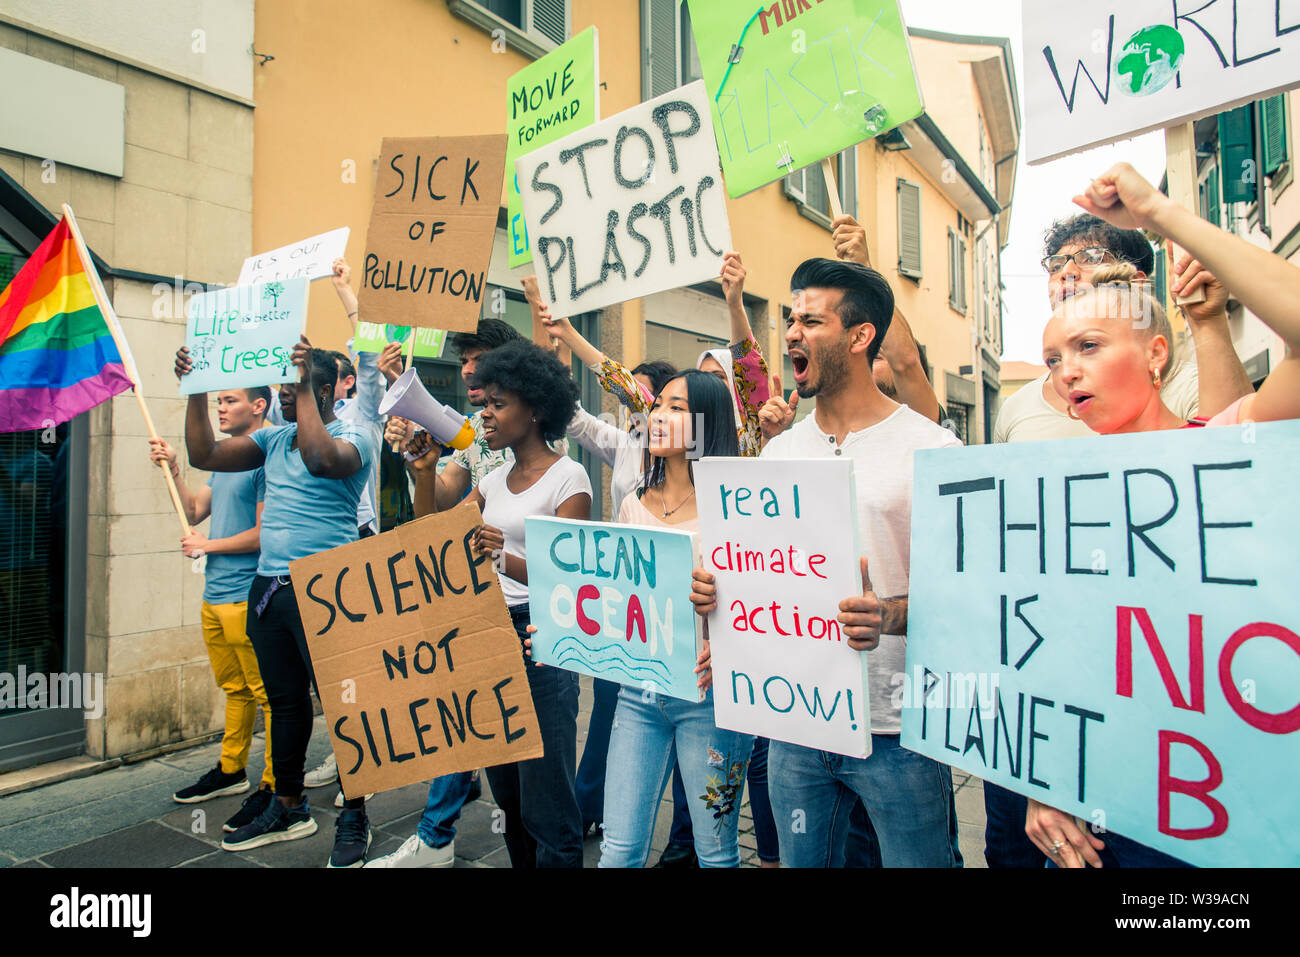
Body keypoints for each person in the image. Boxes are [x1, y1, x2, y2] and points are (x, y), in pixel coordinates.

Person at [1024, 162, 1300, 869]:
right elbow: (1049, 651)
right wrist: (1040, 779)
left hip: (1228, 810)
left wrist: (1160, 213)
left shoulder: (1226, 444)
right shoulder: (1056, 497)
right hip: (1099, 812)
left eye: (1088, 347)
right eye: (1055, 358)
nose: (1066, 372)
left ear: (1155, 354)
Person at [691, 258, 963, 867]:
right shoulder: (780, 453)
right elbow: (753, 574)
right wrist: (716, 601)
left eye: (809, 320)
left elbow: (968, 596)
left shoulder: (932, 449)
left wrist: (889, 616)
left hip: (900, 730)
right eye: (790, 320)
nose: (790, 333)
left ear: (860, 336)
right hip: (796, 727)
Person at [534, 253, 780, 866]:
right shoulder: (634, 505)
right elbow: (612, 596)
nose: (658, 414)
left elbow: (769, 599)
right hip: (639, 696)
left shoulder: (739, 501)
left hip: (715, 703)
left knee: (718, 851)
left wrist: (734, 304)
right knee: (619, 848)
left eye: (676, 407)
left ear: (708, 421)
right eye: (658, 405)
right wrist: (564, 624)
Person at [364, 318, 564, 868]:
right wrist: (420, 464)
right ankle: (447, 833)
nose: (470, 371)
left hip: (534, 629)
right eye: (467, 361)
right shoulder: (475, 443)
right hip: (481, 616)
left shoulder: (549, 458)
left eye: (481, 361)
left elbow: (565, 576)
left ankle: (440, 834)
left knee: (542, 787)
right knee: (490, 758)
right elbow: (441, 506)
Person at [178, 335, 379, 866]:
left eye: (298, 390)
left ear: (328, 391)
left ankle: (356, 812)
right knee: (286, 704)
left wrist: (305, 389)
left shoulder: (357, 434)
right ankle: (290, 805)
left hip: (328, 589)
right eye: (286, 391)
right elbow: (205, 453)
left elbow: (319, 459)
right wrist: (196, 391)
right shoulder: (271, 442)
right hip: (268, 590)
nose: (287, 397)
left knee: (344, 706)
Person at [406, 338, 590, 867]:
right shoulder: (491, 480)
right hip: (489, 636)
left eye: (497, 404)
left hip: (542, 640)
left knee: (546, 798)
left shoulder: (568, 477)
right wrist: (422, 475)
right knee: (508, 797)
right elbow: (436, 536)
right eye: (483, 404)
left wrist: (502, 558)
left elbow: (568, 581)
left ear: (534, 409)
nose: (484, 414)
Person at [148, 386, 275, 831]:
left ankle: (274, 787)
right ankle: (230, 769)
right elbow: (193, 510)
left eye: (230, 402)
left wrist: (209, 546)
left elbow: (265, 533)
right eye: (218, 402)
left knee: (269, 696)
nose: (220, 408)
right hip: (215, 595)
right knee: (235, 688)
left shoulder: (264, 456)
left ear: (259, 406)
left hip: (246, 595)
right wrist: (175, 471)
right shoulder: (225, 462)